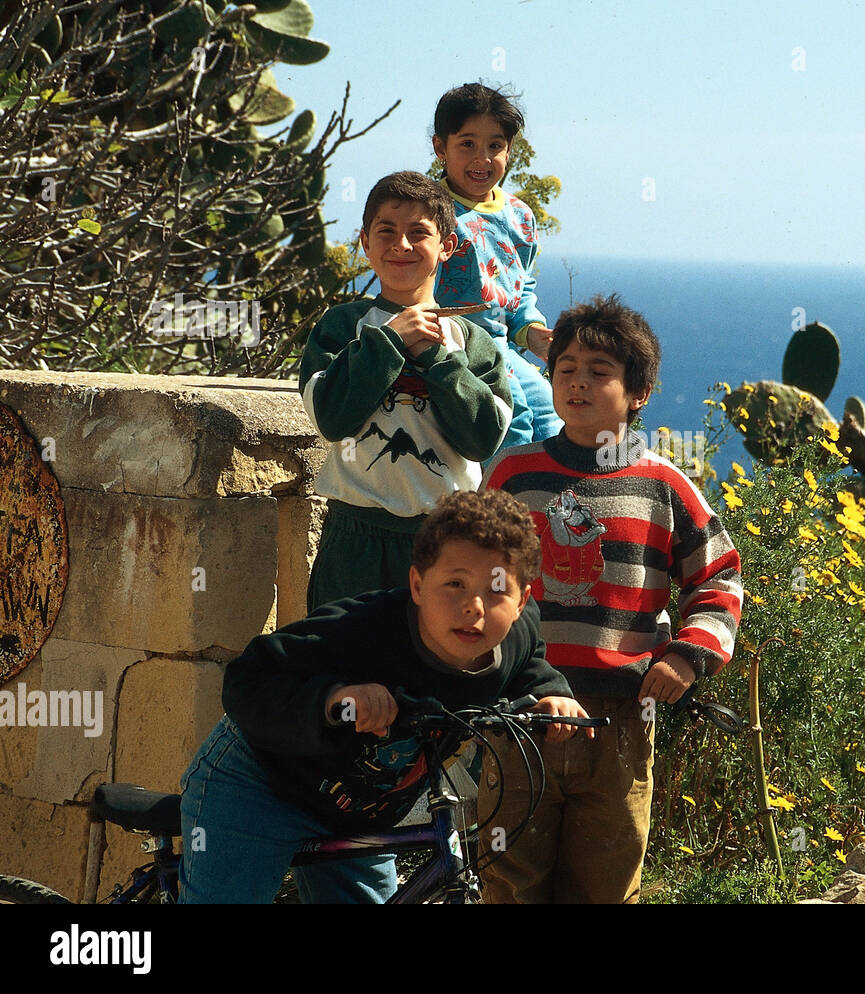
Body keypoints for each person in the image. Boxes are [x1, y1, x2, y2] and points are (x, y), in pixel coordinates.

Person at [179, 490, 593, 904]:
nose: (474, 606)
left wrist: (551, 694)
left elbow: (529, 667)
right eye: (455, 584)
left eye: (496, 590)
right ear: (416, 584)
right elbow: (248, 679)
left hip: (354, 815)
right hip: (259, 782)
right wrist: (334, 697)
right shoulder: (363, 628)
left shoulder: (516, 637)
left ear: (522, 600)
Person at [479, 294, 744, 903]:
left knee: (606, 881)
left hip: (621, 717)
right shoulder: (510, 475)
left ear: (638, 392)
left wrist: (687, 655)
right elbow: (469, 574)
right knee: (508, 879)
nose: (578, 383)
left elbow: (719, 575)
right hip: (521, 708)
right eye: (566, 369)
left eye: (599, 372)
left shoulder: (664, 484)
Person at [299, 171, 514, 612]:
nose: (401, 245)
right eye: (387, 232)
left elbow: (482, 439)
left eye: (419, 233)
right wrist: (389, 342)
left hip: (443, 539)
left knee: (435, 666)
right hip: (354, 534)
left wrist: (436, 358)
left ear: (446, 247)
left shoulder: (473, 344)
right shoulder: (341, 328)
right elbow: (331, 418)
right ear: (365, 243)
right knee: (343, 661)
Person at [431, 81, 562, 452]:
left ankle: (547, 506)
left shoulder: (519, 216)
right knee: (512, 420)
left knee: (550, 415)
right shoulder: (429, 212)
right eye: (467, 144)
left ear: (510, 150)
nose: (482, 158)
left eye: (495, 146)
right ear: (441, 147)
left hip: (502, 348)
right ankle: (499, 506)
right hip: (456, 348)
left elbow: (520, 291)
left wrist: (534, 333)